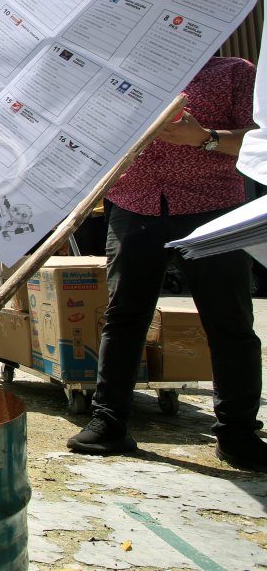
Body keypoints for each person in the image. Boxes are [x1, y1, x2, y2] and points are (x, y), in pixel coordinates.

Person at [67, 55, 267, 471]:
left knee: (229, 320)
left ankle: (238, 433)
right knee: (124, 316)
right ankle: (109, 421)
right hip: (134, 204)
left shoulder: (234, 73)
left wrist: (205, 137)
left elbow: (259, 144)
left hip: (212, 206)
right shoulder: (125, 73)